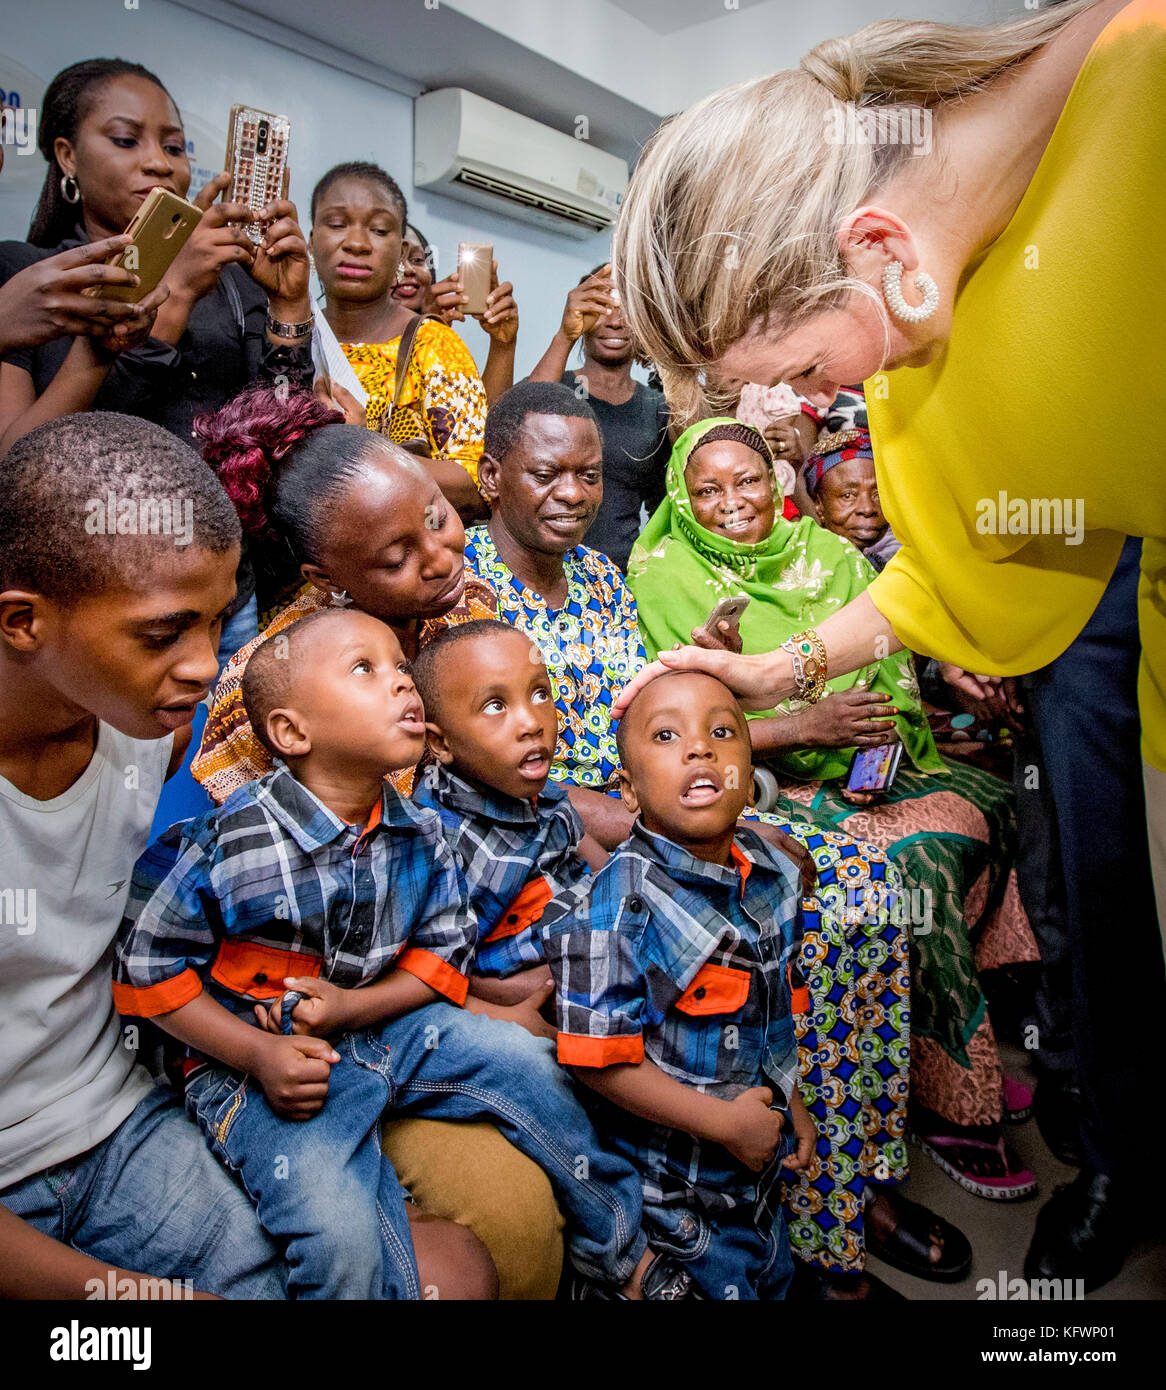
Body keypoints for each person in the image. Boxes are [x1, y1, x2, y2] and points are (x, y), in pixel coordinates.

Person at [612, 0, 1165, 1283]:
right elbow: (953, 558)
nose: (817, 407)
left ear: (870, 242)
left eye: (806, 369)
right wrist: (770, 672)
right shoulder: (912, 319)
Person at [470, 384, 968, 1294]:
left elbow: (647, 708)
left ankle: (841, 1189)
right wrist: (600, 813)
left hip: (662, 793)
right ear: (492, 475)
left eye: (588, 474)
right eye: (547, 474)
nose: (573, 494)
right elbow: (478, 753)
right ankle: (780, 1203)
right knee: (793, 897)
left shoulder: (597, 575)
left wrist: (709, 680)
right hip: (589, 821)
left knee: (854, 888)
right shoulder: (465, 588)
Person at [115, 605, 664, 1300]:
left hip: (391, 1032)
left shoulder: (419, 832)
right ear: (291, 731)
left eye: (401, 669)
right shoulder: (231, 844)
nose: (403, 684)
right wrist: (257, 1055)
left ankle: (624, 1253)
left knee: (531, 1064)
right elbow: (144, 972)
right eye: (366, 670)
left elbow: (440, 959)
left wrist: (355, 1004)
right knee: (335, 1230)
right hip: (261, 1067)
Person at [189, 384, 577, 1299]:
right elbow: (289, 916)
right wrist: (472, 997)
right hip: (350, 995)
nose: (441, 554)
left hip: (474, 927)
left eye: (438, 519)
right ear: (331, 579)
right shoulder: (274, 690)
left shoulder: (461, 602)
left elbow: (512, 781)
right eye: (398, 556)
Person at [629, 419, 1040, 1200]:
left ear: (778, 484)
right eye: (706, 490)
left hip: (862, 773)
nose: (732, 504)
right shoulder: (660, 571)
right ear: (680, 498)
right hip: (761, 787)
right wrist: (798, 724)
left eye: (748, 481)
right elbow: (671, 731)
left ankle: (949, 1052)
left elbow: (886, 679)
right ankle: (950, 1097)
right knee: (903, 869)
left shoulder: (833, 556)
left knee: (985, 804)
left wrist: (869, 755)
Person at [0, 413, 283, 1299]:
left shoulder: (146, 728)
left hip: (117, 1126)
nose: (205, 667)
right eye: (163, 635)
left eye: (217, 621)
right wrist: (134, 1302)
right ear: (23, 623)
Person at [544, 669, 814, 1300]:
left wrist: (790, 1096)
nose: (700, 748)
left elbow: (774, 1005)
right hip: (673, 1212)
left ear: (749, 777)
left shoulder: (774, 872)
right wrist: (724, 1124)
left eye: (722, 732)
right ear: (629, 792)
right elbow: (596, 1062)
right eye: (667, 735)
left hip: (756, 1188)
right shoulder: (614, 909)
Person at [411, 621, 605, 1011]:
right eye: (495, 706)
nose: (532, 723)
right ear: (440, 742)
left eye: (539, 694)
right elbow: (435, 968)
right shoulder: (436, 839)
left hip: (590, 935)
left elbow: (608, 873)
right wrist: (512, 1010)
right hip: (534, 981)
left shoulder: (540, 792)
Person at [309, 162, 487, 518]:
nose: (356, 243)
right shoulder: (288, 334)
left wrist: (366, 450)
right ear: (310, 241)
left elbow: (474, 483)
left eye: (378, 229)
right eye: (337, 224)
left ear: (401, 253)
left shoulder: (433, 344)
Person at [529, 264, 670, 571]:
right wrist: (566, 335)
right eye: (603, 307)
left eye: (627, 311)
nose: (616, 322)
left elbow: (667, 504)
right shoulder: (559, 388)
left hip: (619, 578)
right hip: (544, 566)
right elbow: (518, 421)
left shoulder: (657, 407)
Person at [394, 222, 519, 406]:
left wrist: (503, 345)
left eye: (418, 260)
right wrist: (421, 337)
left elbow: (478, 426)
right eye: (395, 260)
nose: (409, 269)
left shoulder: (446, 341)